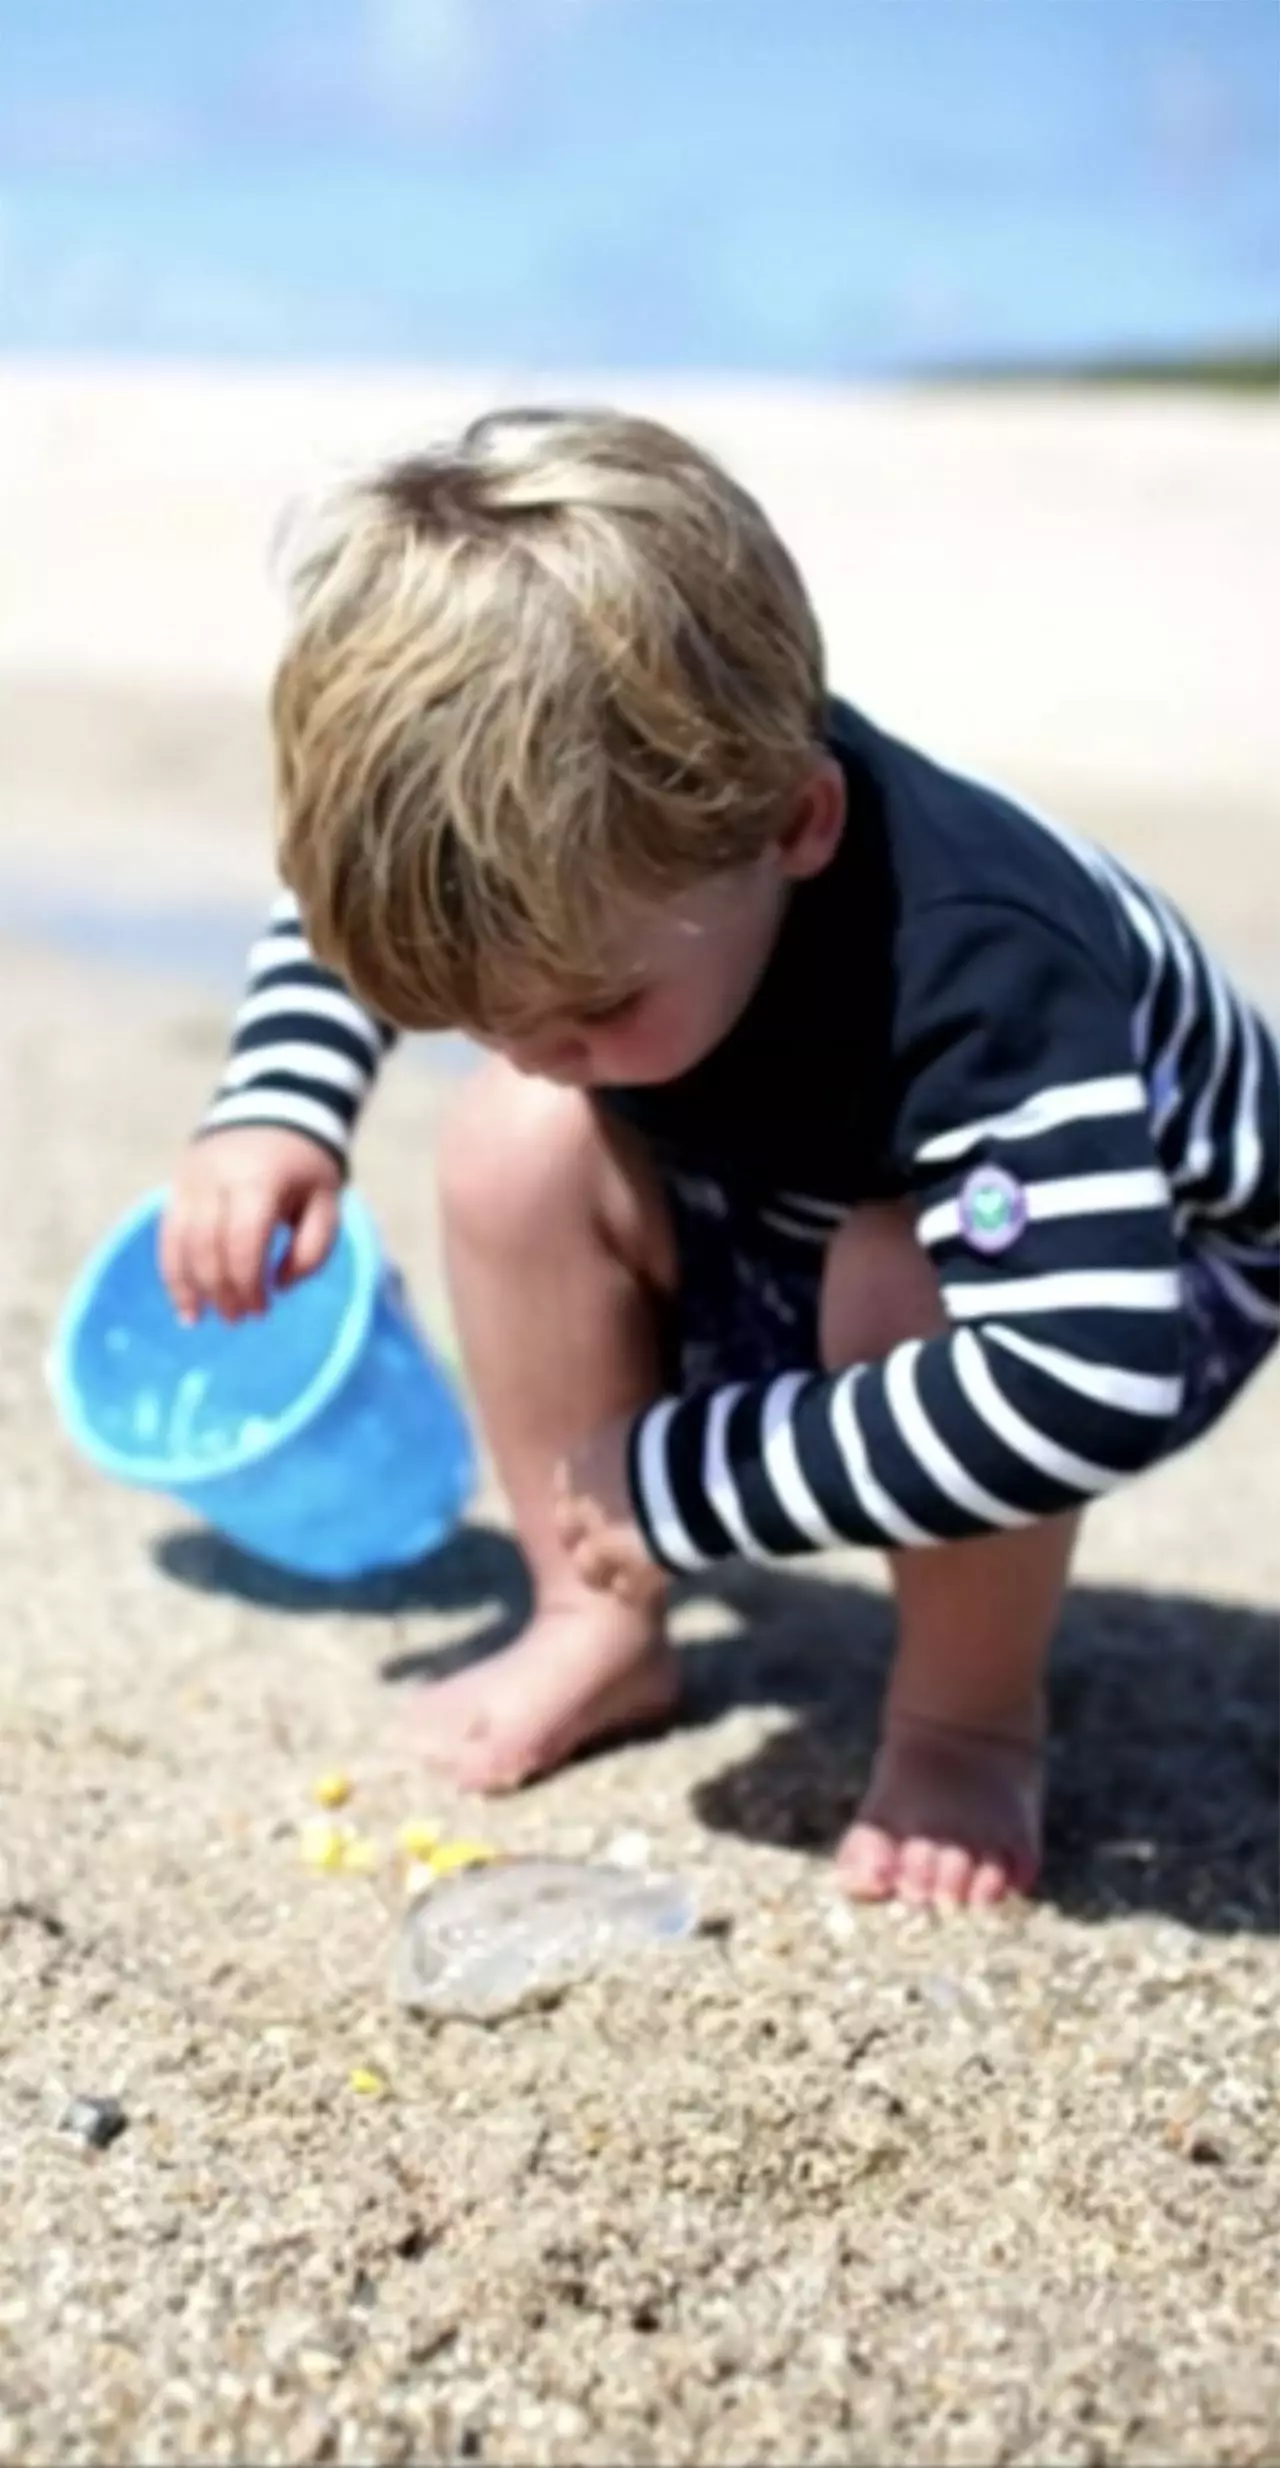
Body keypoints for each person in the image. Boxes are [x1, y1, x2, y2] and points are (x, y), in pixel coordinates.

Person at [161, 407, 1279, 1912]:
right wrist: (276, 1108)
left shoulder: (976, 965)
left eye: (591, 1003)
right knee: (513, 1143)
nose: (533, 1039)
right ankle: (597, 1619)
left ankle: (965, 1715)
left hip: (1133, 1270)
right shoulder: (600, 891)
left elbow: (1080, 1375)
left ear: (796, 824)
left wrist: (692, 1480)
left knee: (901, 1264)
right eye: (483, 1006)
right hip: (786, 1177)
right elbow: (386, 904)